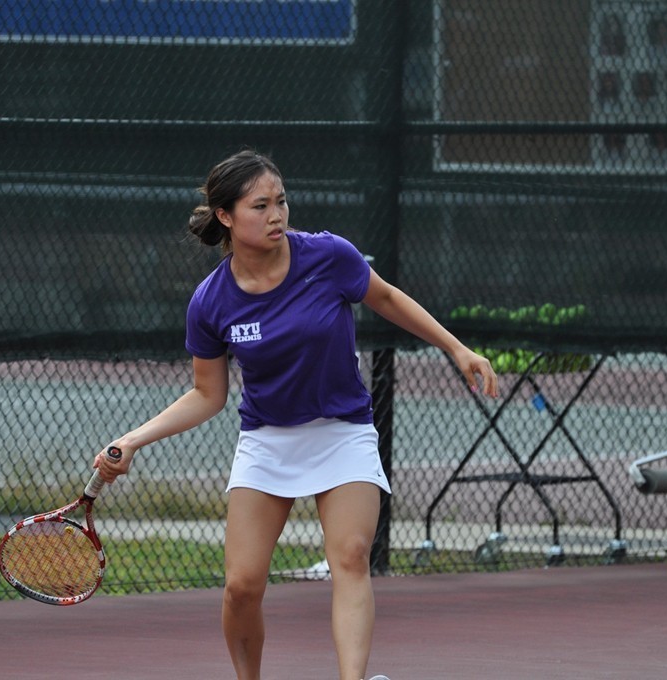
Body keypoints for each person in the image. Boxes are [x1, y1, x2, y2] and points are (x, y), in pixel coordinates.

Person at [95, 149, 498, 680]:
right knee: (242, 586)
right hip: (268, 441)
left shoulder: (328, 256)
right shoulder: (210, 302)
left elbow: (387, 297)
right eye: (260, 206)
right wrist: (134, 439)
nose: (277, 215)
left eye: (281, 201)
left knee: (350, 556)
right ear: (225, 216)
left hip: (343, 431)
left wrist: (457, 348)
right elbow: (207, 394)